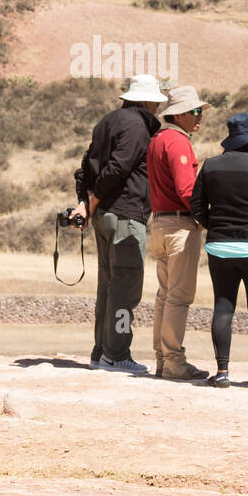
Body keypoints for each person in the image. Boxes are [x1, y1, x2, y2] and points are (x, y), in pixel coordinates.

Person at [73, 74, 164, 374]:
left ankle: (101, 352)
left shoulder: (107, 122)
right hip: (126, 215)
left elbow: (85, 167)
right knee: (125, 287)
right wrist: (94, 200)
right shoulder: (138, 126)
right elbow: (117, 168)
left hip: (103, 217)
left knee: (108, 286)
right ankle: (117, 353)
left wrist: (86, 204)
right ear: (149, 101)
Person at [190, 112, 248, 390]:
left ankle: (221, 372)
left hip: (220, 247)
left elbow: (196, 207)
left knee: (223, 306)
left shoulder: (211, 166)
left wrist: (215, 227)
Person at [146, 85, 212, 381]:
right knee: (178, 298)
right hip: (179, 225)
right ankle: (173, 360)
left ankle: (162, 359)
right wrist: (205, 219)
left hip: (159, 222)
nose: (200, 117)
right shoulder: (177, 142)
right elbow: (187, 189)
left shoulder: (158, 139)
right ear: (181, 114)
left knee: (165, 295)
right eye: (196, 112)